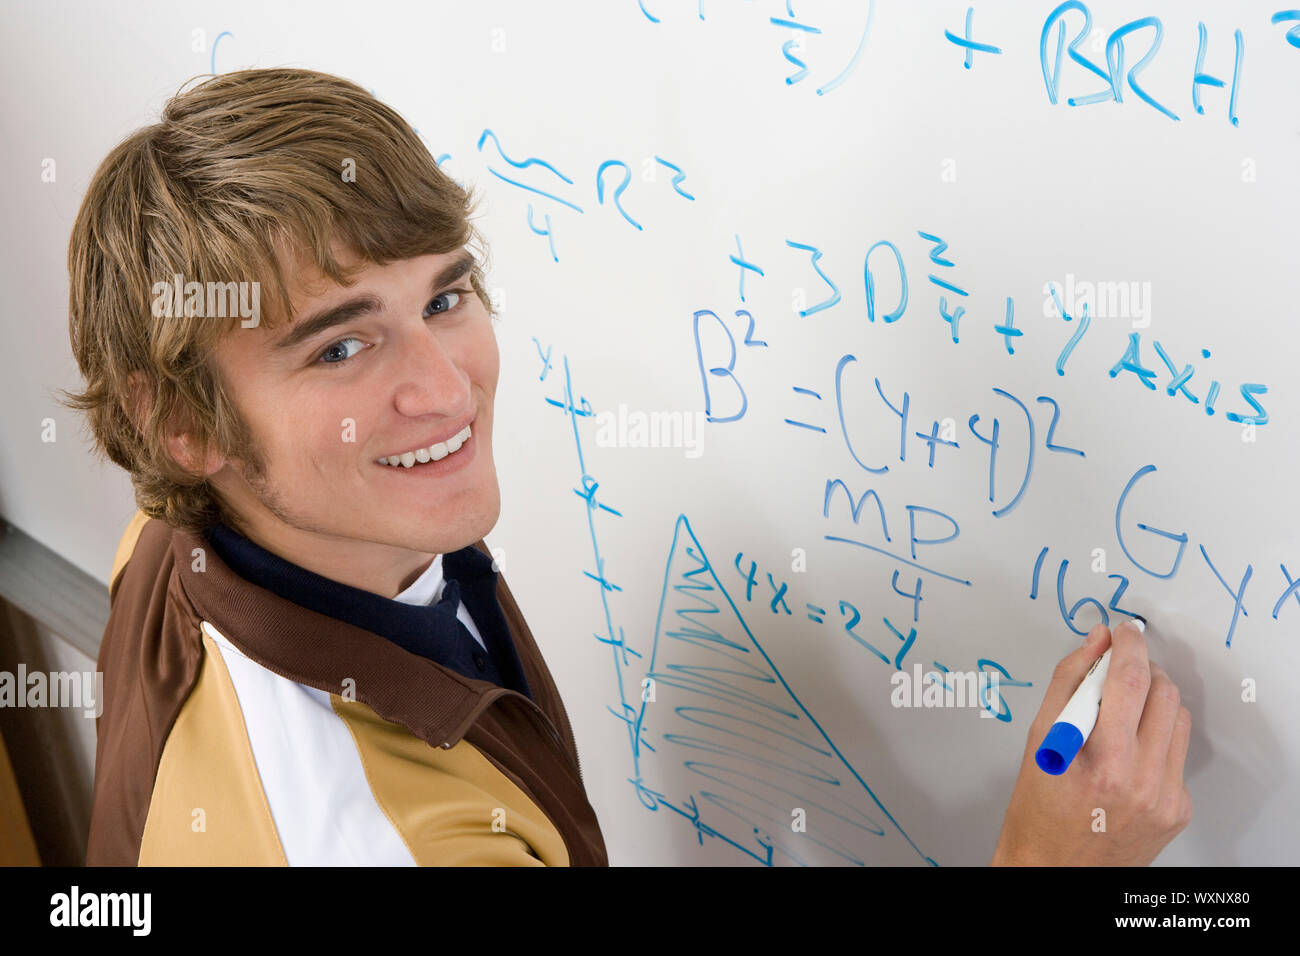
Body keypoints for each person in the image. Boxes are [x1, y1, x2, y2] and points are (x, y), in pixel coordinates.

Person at [63, 67, 1190, 867]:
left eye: (446, 297)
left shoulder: (172, 543)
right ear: (182, 425)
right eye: (343, 345)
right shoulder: (388, 840)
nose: (449, 389)